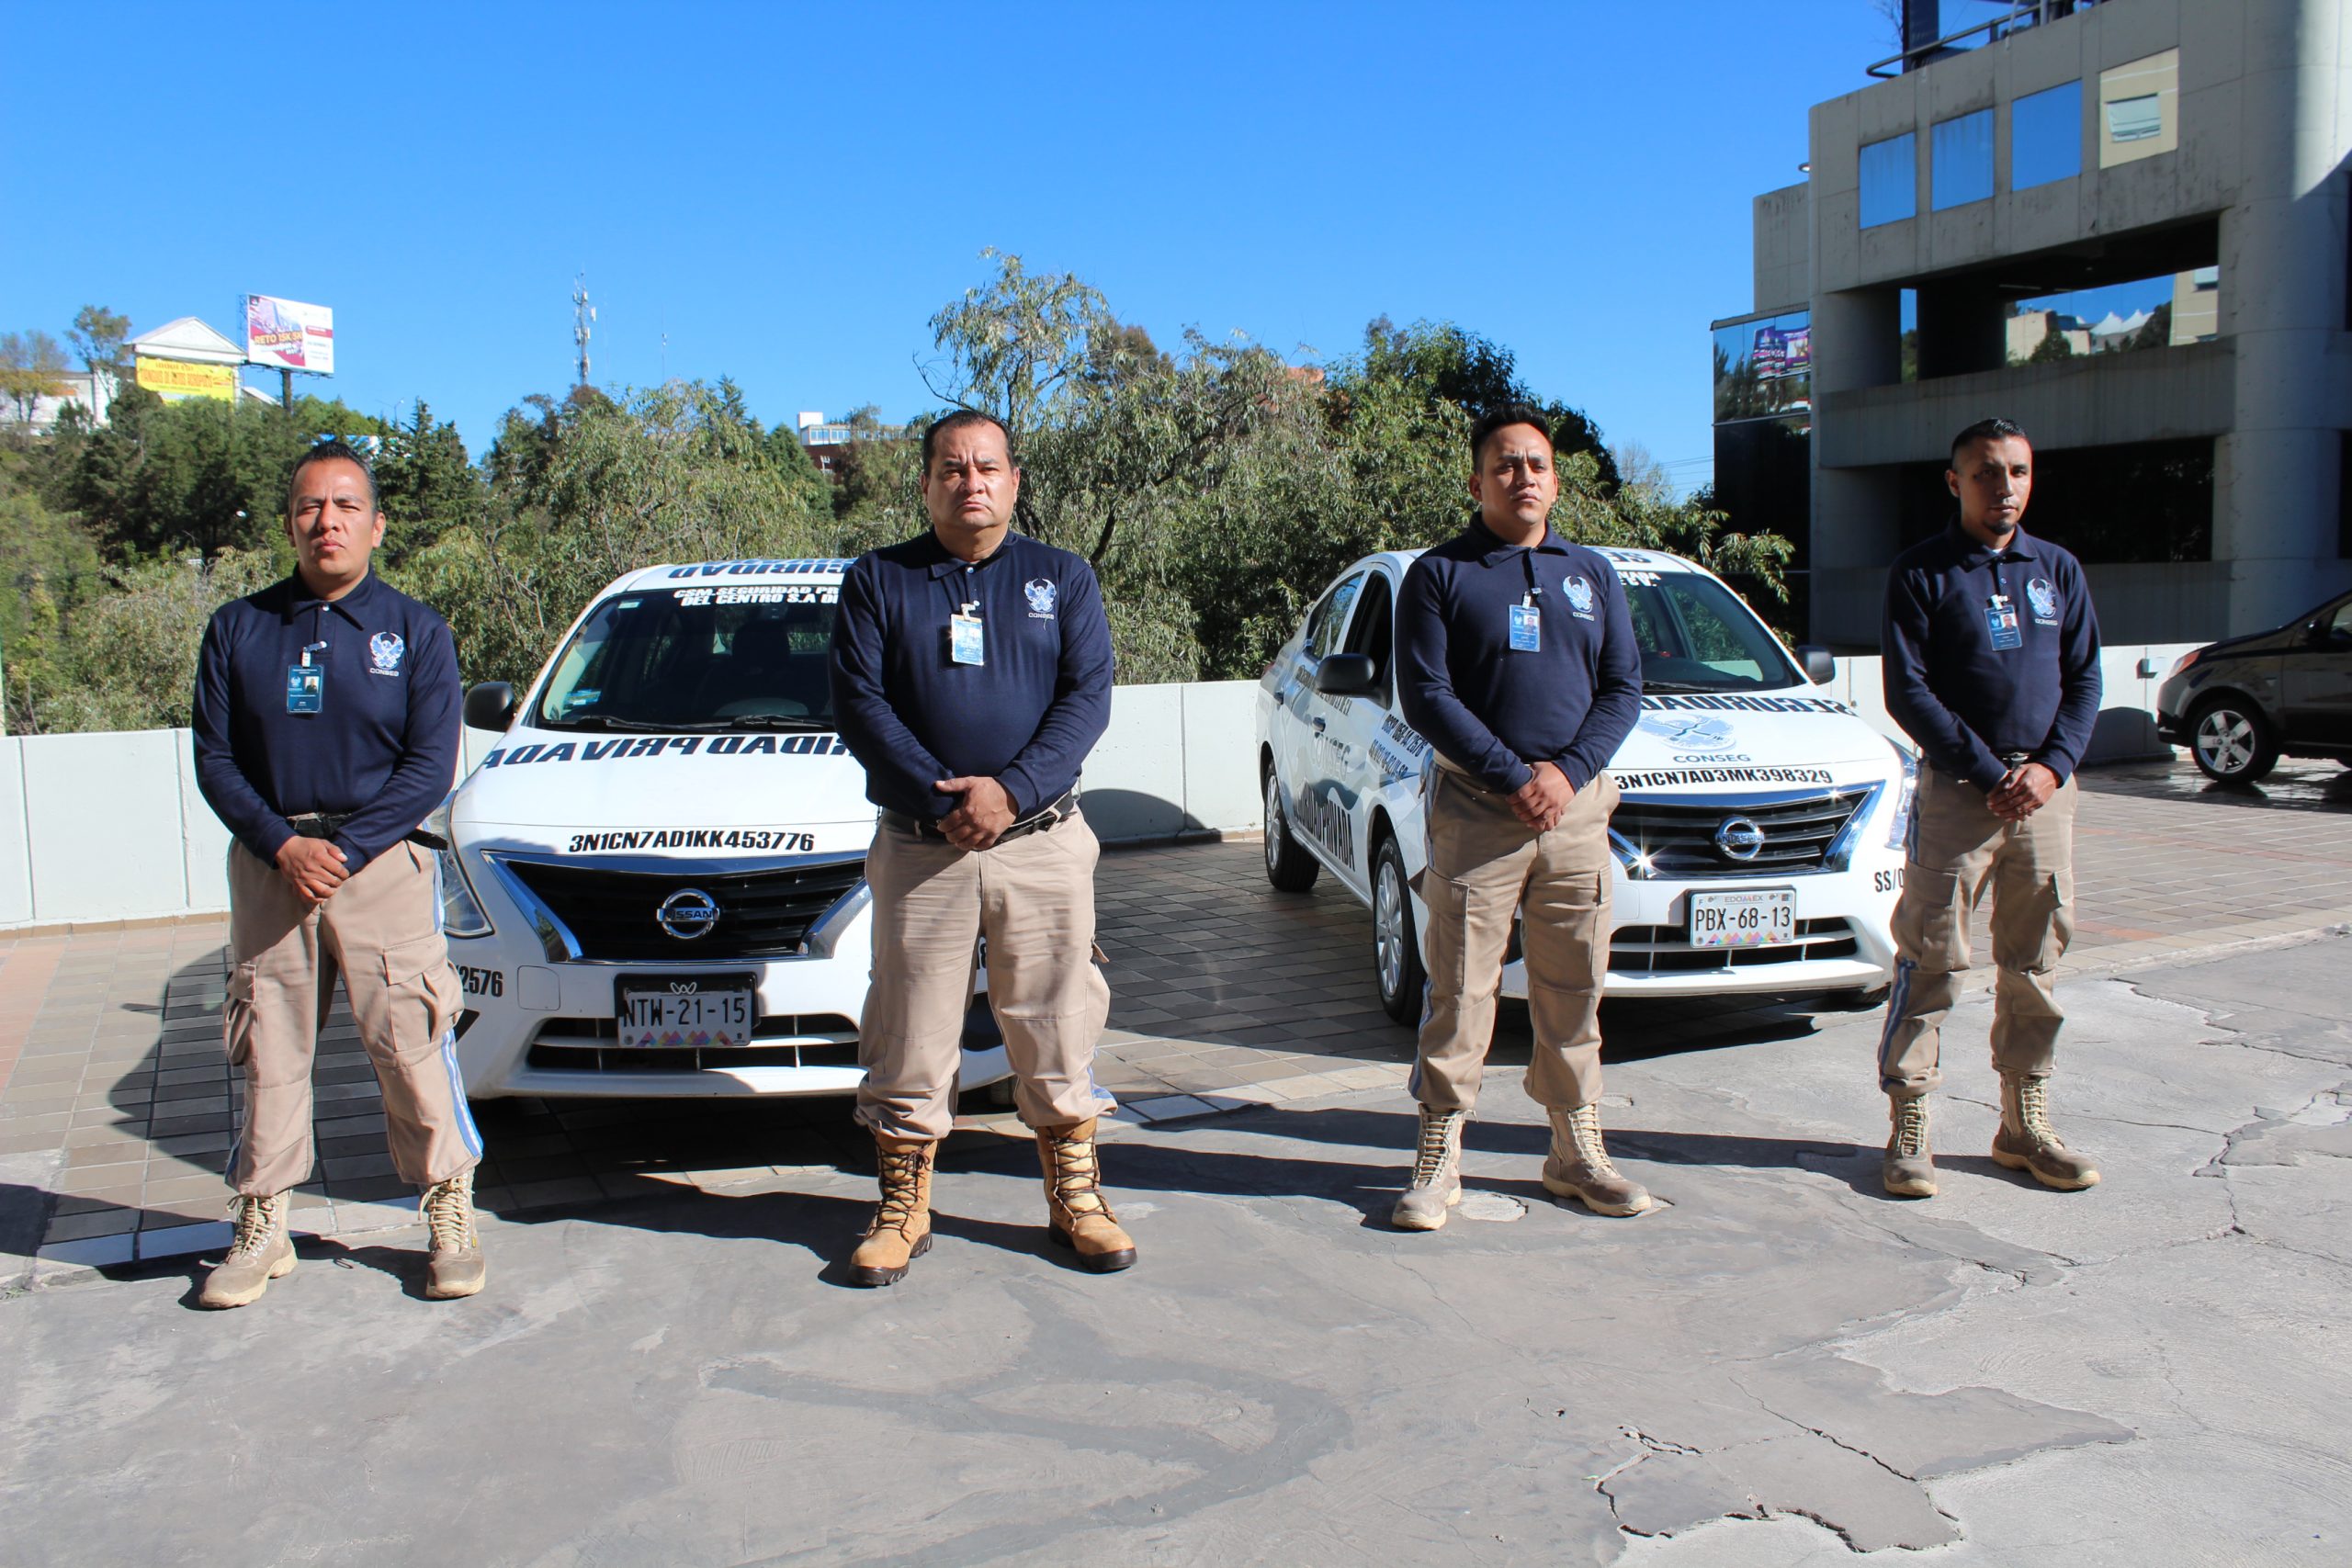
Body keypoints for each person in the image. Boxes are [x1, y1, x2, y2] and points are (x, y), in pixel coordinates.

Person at [827, 409, 1130, 1285]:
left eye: (987, 467)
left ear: (1014, 480)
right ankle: (902, 1203)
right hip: (924, 848)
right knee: (911, 1025)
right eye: (952, 469)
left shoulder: (1062, 578)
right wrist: (943, 796)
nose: (971, 483)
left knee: (1056, 1016)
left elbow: (1087, 698)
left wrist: (1010, 792)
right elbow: (860, 705)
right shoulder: (878, 580)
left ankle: (1076, 1194)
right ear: (925, 484)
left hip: (1040, 839)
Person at [190, 439, 485, 1308]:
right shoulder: (240, 629)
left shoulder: (418, 632)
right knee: (268, 1048)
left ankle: (448, 1215)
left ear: (377, 524)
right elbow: (215, 757)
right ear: (290, 523)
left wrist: (348, 851)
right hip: (272, 865)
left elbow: (430, 766)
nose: (329, 522)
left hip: (378, 865)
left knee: (411, 1043)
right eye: (311, 507)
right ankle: (262, 1224)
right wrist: (283, 845)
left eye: (346, 506)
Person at [1389, 403, 1649, 1230]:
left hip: (1573, 816)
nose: (1523, 476)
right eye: (1505, 465)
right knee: (1460, 990)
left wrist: (1565, 775)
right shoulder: (1441, 574)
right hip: (1477, 814)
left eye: (1536, 464)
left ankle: (1576, 1151)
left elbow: (1623, 690)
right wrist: (1512, 777)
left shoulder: (1592, 573)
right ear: (1477, 482)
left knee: (1573, 988)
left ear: (1556, 480)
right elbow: (1426, 694)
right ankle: (1439, 1156)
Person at [1877, 417, 2103, 1198]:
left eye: (2016, 472)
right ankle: (1910, 1122)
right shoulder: (1923, 573)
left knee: (2035, 959)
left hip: (2044, 798)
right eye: (1985, 473)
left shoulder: (2059, 570)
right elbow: (1908, 690)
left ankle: (2022, 1120)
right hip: (1958, 798)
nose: (2002, 487)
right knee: (1932, 956)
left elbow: (2085, 682)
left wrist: (2051, 768)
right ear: (1955, 481)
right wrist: (1982, 769)